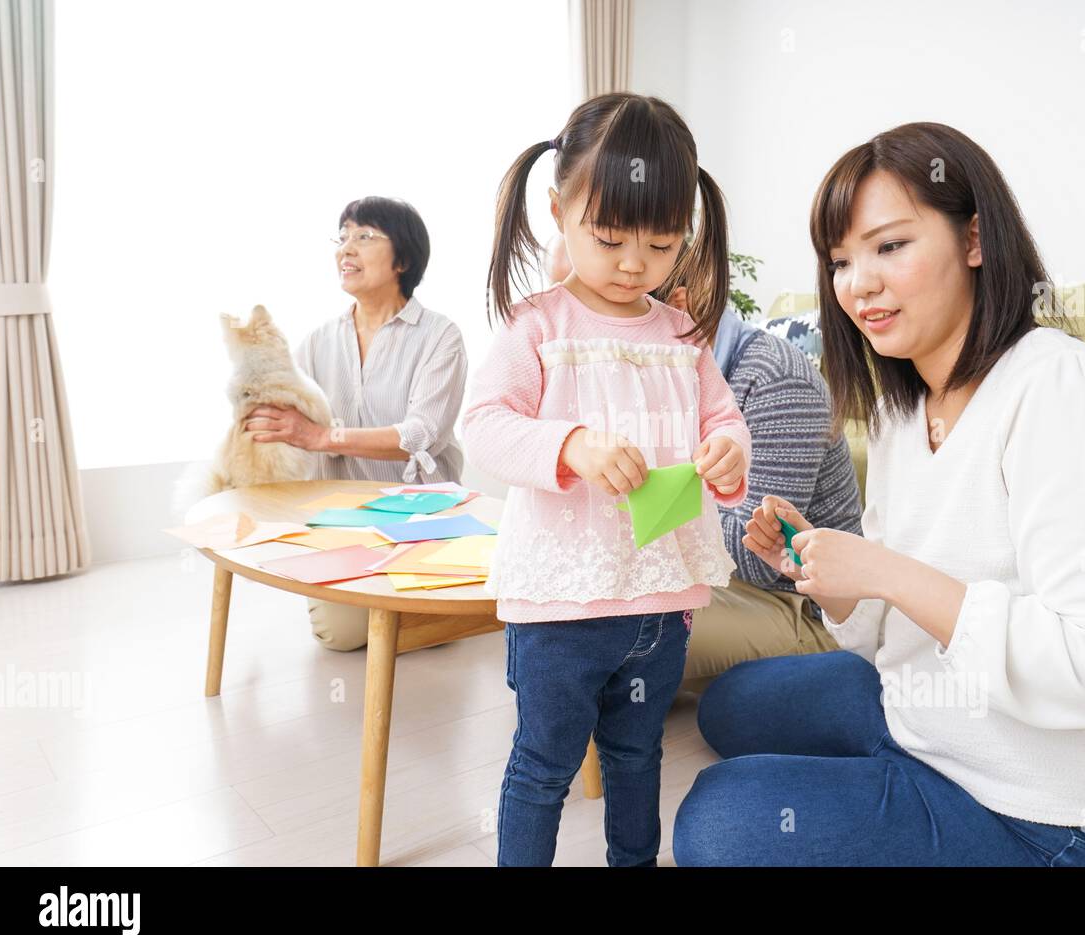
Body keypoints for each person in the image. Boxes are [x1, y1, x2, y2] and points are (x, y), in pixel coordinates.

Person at [673, 122, 1085, 866]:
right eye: (840, 261)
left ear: (973, 240)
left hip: (1040, 814)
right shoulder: (905, 407)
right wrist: (830, 575)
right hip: (925, 714)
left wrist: (881, 570)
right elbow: (882, 630)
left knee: (717, 819)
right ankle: (878, 796)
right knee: (731, 703)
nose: (857, 284)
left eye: (890, 246)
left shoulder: (1063, 391)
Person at [464, 92, 750, 866]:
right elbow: (484, 425)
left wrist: (729, 452)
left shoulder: (682, 335)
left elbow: (720, 422)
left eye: (661, 245)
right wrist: (572, 445)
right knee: (544, 765)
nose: (634, 264)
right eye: (611, 238)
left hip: (658, 601)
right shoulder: (539, 326)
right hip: (560, 604)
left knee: (637, 756)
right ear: (559, 211)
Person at [542, 242, 865, 694]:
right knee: (559, 610)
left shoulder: (777, 379)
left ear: (677, 306)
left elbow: (759, 557)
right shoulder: (647, 377)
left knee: (605, 629)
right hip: (712, 577)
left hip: (800, 605)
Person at [243, 196, 468, 651]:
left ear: (403, 258)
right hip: (341, 517)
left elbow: (419, 435)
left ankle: (417, 601)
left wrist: (321, 436)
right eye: (342, 237)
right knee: (341, 637)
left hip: (420, 512)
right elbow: (284, 417)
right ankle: (390, 601)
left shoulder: (440, 336)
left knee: (440, 628)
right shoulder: (318, 342)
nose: (347, 249)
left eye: (364, 236)